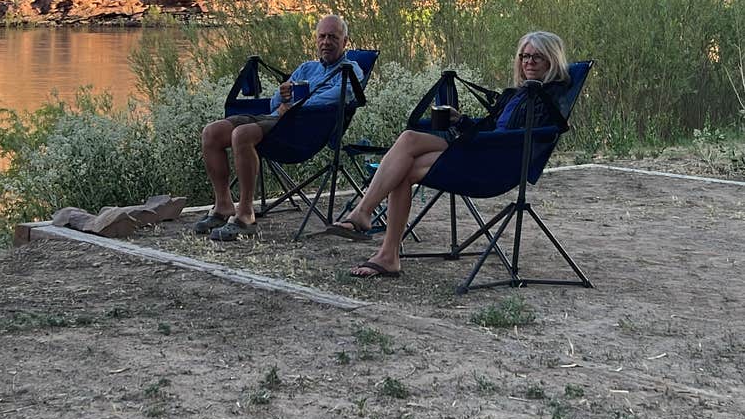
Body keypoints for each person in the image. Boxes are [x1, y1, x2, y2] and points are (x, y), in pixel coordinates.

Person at [330, 31, 570, 278]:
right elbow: (492, 127)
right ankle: (386, 253)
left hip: (494, 166)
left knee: (407, 147)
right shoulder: (515, 94)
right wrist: (462, 121)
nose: (528, 62)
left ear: (551, 61)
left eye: (536, 58)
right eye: (524, 56)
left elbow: (528, 137)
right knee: (405, 158)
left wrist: (473, 139)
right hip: (481, 150)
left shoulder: (547, 98)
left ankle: (364, 216)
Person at [194, 14, 362, 242]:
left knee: (241, 135)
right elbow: (275, 102)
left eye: (333, 37)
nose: (326, 42)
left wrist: (292, 105)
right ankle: (223, 205)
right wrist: (283, 95)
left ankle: (245, 216)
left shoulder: (350, 70)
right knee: (211, 133)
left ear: (345, 42)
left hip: (301, 131)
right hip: (276, 119)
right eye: (322, 36)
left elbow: (333, 99)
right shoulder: (306, 68)